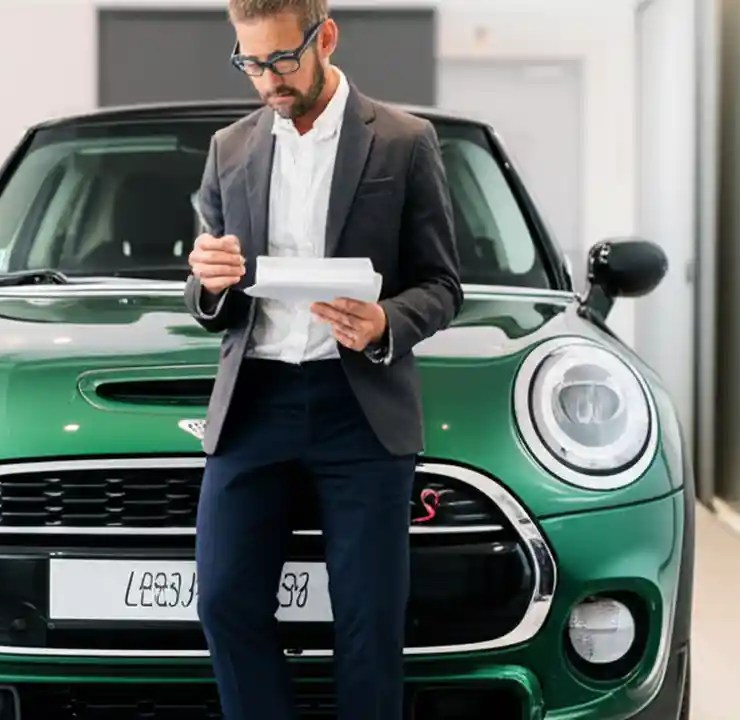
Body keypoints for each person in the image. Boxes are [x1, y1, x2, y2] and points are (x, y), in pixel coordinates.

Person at [183, 1, 462, 718]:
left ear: (325, 37)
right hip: (254, 406)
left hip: (360, 409)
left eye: (282, 59)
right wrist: (207, 281)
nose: (268, 79)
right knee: (221, 599)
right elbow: (208, 292)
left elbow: (442, 285)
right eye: (251, 62)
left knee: (369, 623)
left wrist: (384, 322)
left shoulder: (404, 141)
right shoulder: (230, 148)